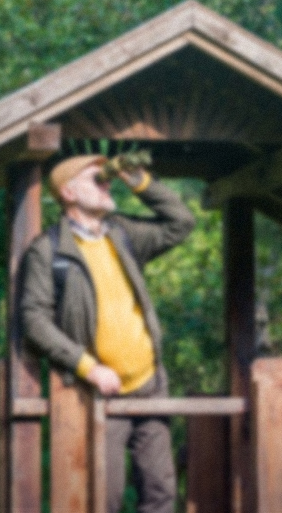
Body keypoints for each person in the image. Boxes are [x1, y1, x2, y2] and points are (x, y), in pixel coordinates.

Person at [20, 154, 196, 513]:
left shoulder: (122, 232)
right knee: (104, 498)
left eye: (107, 178)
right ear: (69, 193)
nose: (107, 183)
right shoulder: (48, 249)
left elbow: (182, 222)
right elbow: (34, 319)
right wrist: (89, 368)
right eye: (96, 179)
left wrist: (141, 182)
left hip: (150, 385)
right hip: (97, 393)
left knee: (161, 495)